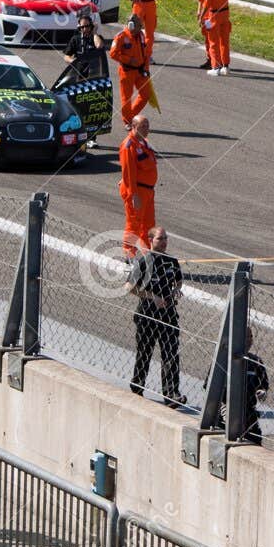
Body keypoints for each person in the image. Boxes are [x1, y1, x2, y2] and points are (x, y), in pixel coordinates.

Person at [127, 226, 183, 408]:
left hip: (168, 314)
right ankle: (137, 386)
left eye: (166, 238)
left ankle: (172, 394)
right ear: (151, 240)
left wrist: (176, 290)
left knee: (171, 354)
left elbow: (179, 280)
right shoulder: (144, 260)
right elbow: (129, 287)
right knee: (145, 352)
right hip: (147, 314)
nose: (164, 242)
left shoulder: (172, 261)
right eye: (160, 239)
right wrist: (153, 297)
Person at [118, 114, 157, 258]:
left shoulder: (144, 143)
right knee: (133, 224)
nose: (147, 129)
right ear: (133, 127)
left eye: (147, 126)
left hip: (147, 191)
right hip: (137, 192)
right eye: (143, 126)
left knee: (148, 225)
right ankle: (129, 257)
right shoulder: (129, 145)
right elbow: (128, 171)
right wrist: (133, 194)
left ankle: (148, 256)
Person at [108, 13, 153, 127]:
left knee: (146, 94)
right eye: (139, 25)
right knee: (126, 99)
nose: (141, 27)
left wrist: (146, 69)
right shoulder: (121, 37)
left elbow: (145, 53)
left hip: (140, 71)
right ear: (131, 25)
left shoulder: (141, 35)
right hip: (126, 72)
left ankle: (131, 116)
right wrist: (128, 60)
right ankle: (128, 121)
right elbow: (113, 53)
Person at [198, 0, 232, 75]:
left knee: (213, 42)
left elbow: (206, 4)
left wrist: (201, 16)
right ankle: (225, 66)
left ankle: (215, 67)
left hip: (214, 15)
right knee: (224, 41)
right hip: (225, 14)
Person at [62, 8, 109, 81]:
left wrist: (94, 32)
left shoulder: (97, 38)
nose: (85, 29)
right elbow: (66, 56)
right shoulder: (75, 39)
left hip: (94, 74)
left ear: (91, 26)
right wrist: (74, 61)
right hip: (78, 74)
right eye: (82, 27)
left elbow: (99, 46)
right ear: (79, 28)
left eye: (87, 26)